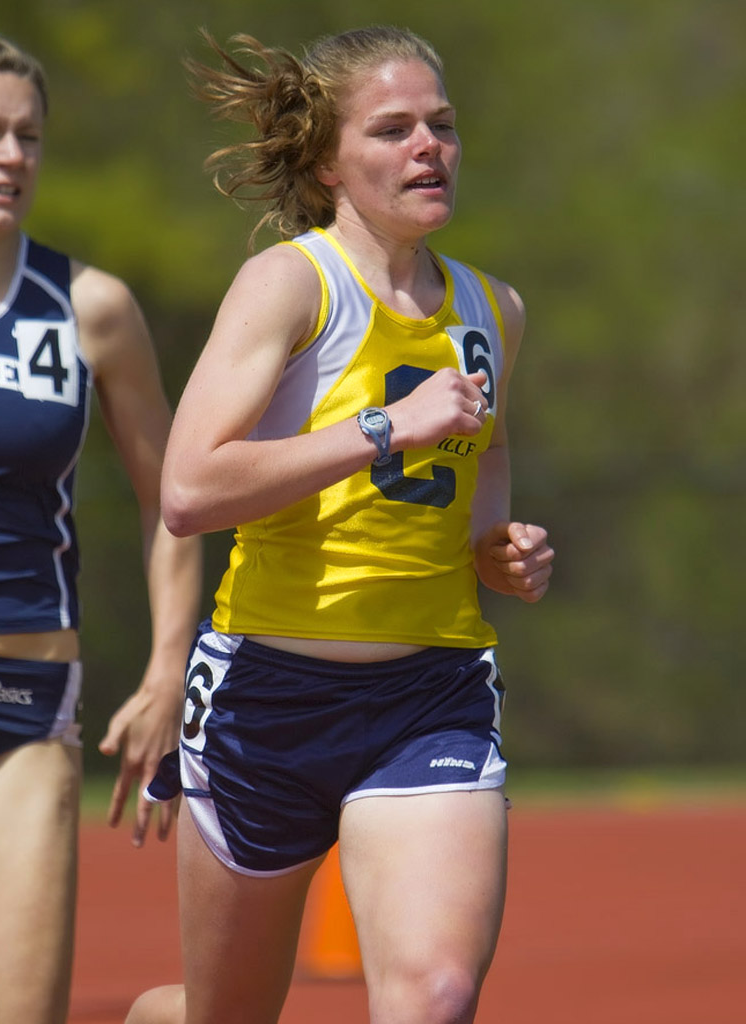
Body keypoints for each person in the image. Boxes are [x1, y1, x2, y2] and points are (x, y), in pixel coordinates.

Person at [127, 25, 554, 1024]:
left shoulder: (495, 309)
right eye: (395, 129)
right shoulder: (292, 285)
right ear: (329, 162)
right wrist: (380, 428)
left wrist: (497, 549)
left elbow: (485, 448)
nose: (429, 148)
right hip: (263, 699)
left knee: (435, 993)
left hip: (430, 693)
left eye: (441, 126)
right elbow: (188, 490)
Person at [0, 32, 202, 1024]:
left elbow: (176, 500)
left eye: (29, 136)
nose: (11, 156)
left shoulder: (89, 308)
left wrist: (166, 673)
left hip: (24, 699)